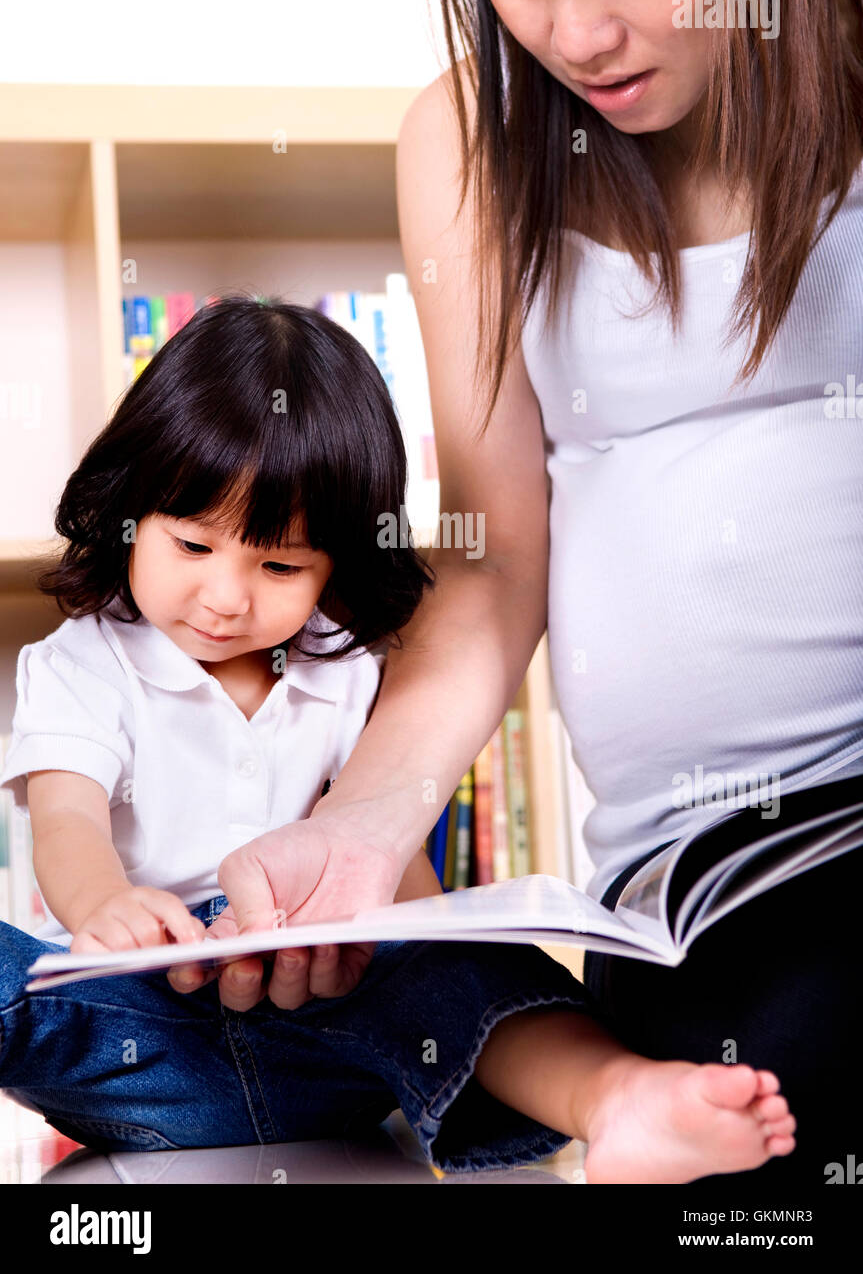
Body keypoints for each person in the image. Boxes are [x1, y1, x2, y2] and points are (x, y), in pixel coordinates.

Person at [159, 0, 863, 1189]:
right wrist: (364, 821)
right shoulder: (464, 138)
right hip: (682, 883)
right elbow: (494, 558)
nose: (575, 33)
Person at [0, 295, 797, 1181]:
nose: (227, 598)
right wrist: (104, 908)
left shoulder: (349, 672)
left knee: (460, 964)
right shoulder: (81, 663)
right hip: (138, 1037)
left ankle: (617, 1101)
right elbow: (64, 819)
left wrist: (414, 941)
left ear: (338, 563)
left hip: (335, 1038)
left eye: (280, 565)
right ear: (127, 514)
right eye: (191, 545)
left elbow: (394, 871)